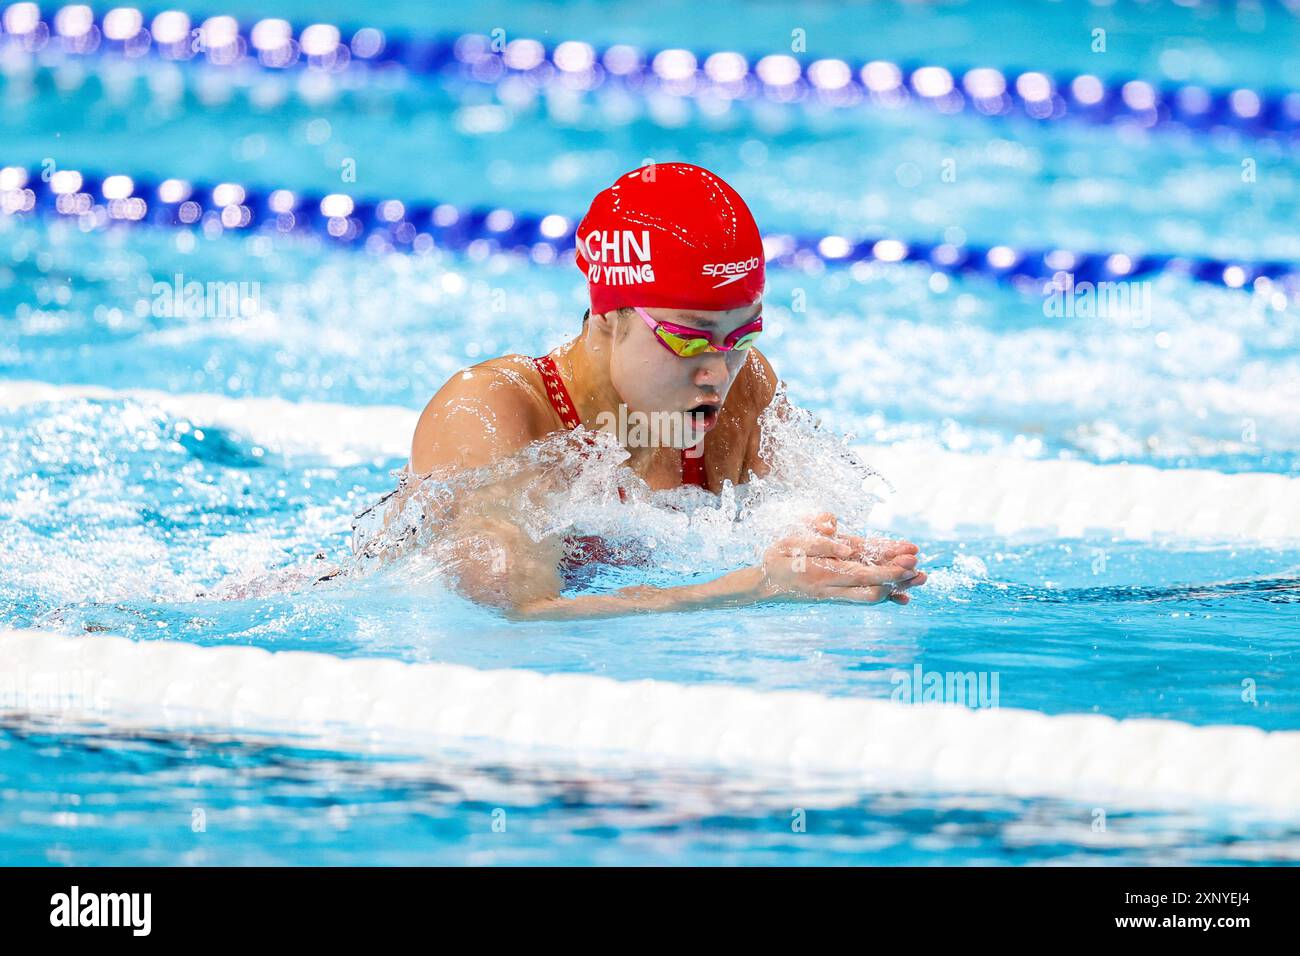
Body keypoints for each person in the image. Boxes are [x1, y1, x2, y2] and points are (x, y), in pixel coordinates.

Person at [406, 162, 926, 619]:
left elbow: (797, 526)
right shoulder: (489, 412)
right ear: (610, 318)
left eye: (741, 336)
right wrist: (752, 587)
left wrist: (830, 558)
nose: (719, 373)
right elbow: (515, 610)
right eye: (687, 339)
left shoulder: (746, 387)